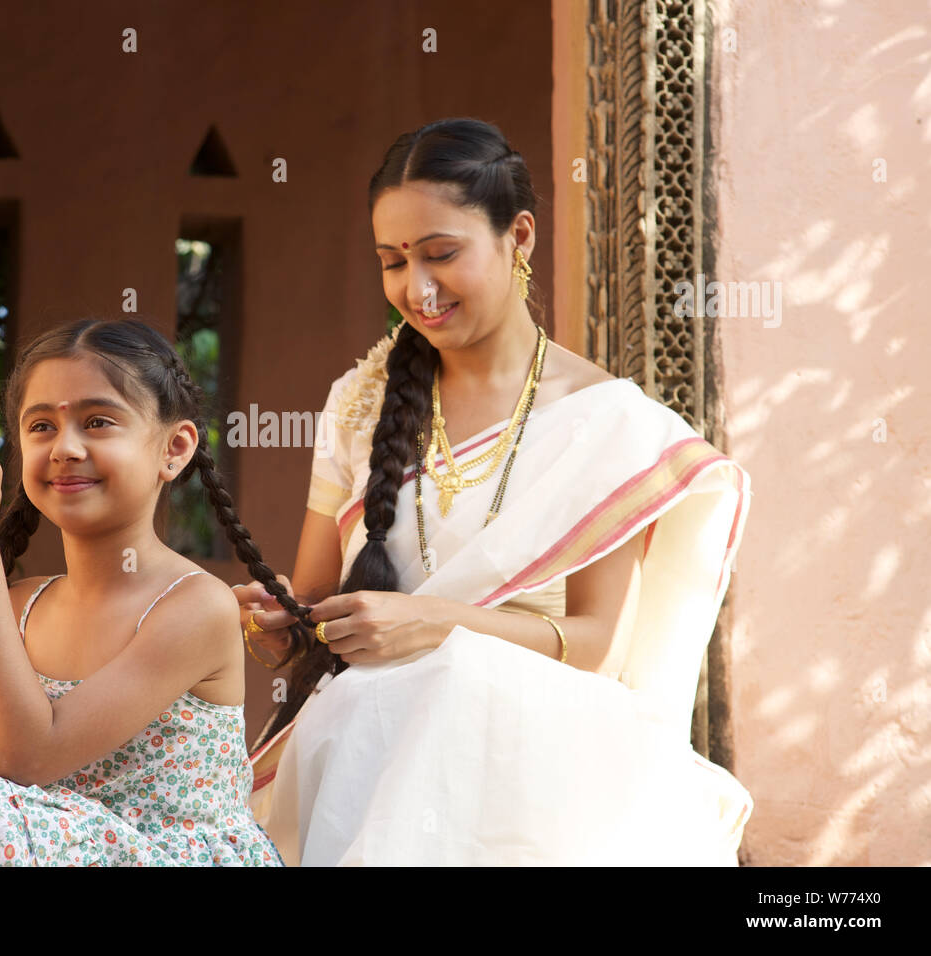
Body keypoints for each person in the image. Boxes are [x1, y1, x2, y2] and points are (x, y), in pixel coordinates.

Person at [235, 117, 755, 865]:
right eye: (391, 261)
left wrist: (437, 629)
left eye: (442, 254)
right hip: (366, 750)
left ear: (519, 236)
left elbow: (597, 647)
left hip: (539, 764)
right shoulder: (358, 402)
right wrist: (277, 619)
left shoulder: (606, 422)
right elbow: (316, 606)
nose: (416, 289)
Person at [0, 317, 303, 866]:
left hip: (162, 853)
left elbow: (26, 759)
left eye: (97, 421)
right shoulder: (24, 604)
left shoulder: (195, 606)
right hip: (62, 846)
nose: (65, 448)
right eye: (41, 427)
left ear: (174, 449)